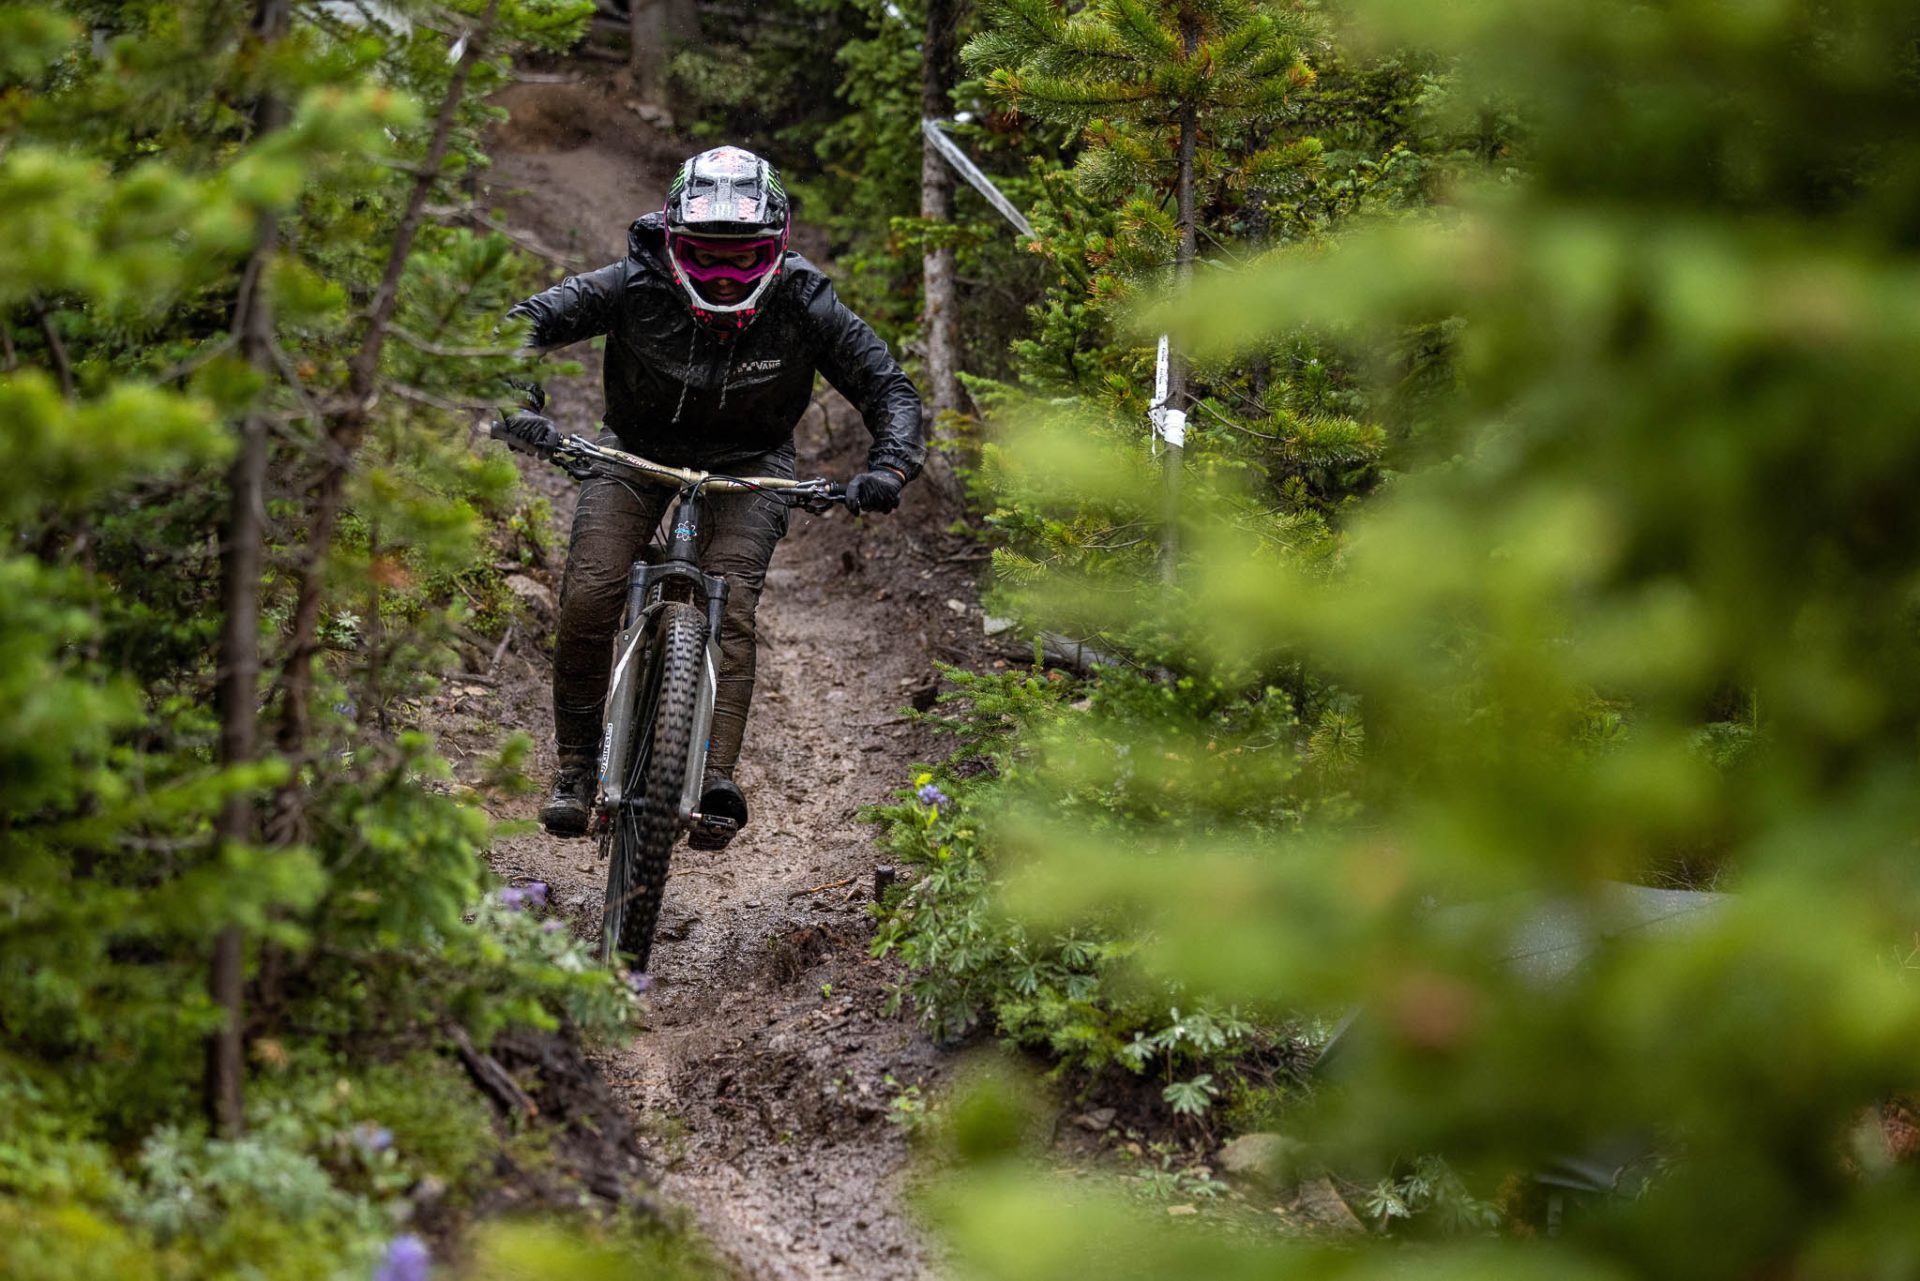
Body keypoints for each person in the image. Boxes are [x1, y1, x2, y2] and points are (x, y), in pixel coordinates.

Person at [498, 145, 923, 846]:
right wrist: (520, 400)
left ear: (778, 250)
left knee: (730, 602)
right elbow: (523, 324)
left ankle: (714, 775)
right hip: (634, 450)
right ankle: (575, 768)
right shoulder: (633, 281)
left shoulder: (806, 299)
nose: (724, 278)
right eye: (704, 255)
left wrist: (891, 466)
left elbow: (889, 389)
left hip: (751, 462)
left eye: (744, 258)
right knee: (592, 592)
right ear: (671, 242)